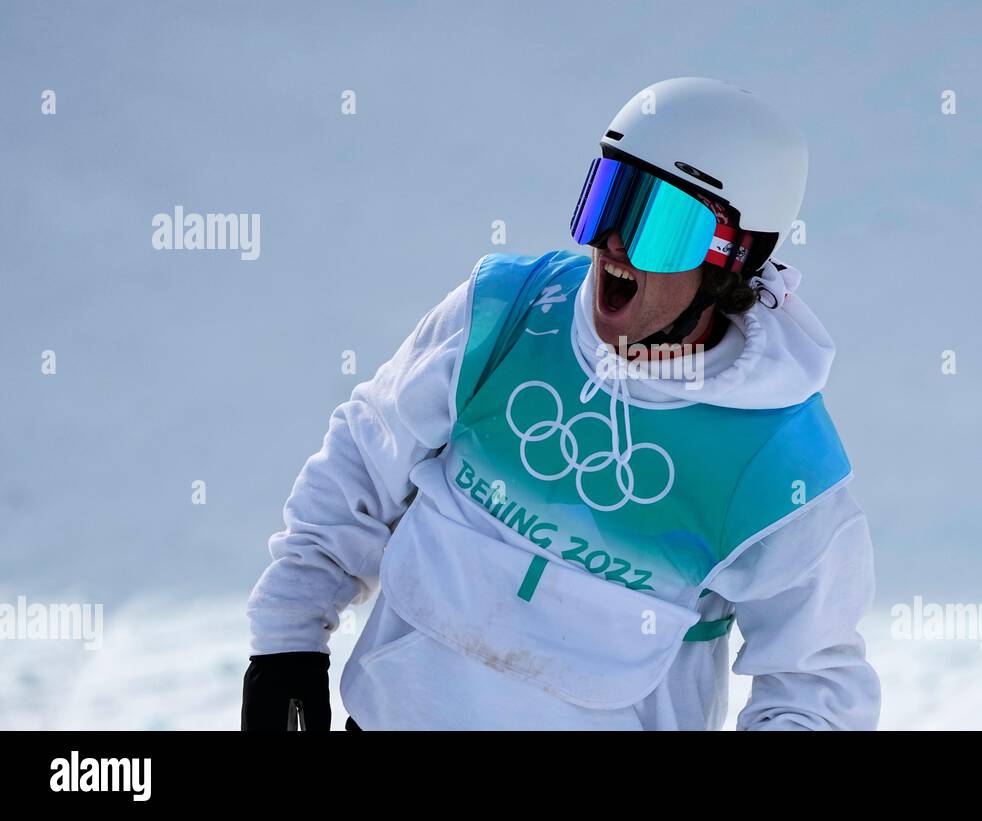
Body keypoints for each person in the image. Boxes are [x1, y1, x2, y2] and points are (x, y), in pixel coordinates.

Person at [242, 77, 880, 730]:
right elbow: (362, 465)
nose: (613, 242)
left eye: (658, 225)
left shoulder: (776, 459)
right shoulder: (507, 315)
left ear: (732, 257)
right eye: (607, 200)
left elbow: (814, 685)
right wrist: (287, 646)